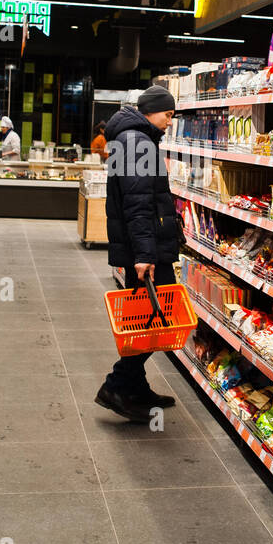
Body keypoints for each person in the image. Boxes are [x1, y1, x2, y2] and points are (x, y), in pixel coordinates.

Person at [95, 85, 180, 421]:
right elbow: (138, 205)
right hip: (146, 252)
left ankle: (135, 387)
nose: (170, 122)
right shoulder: (137, 142)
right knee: (154, 322)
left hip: (143, 247)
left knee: (148, 320)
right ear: (151, 110)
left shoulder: (133, 139)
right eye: (168, 115)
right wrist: (145, 254)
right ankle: (116, 385)